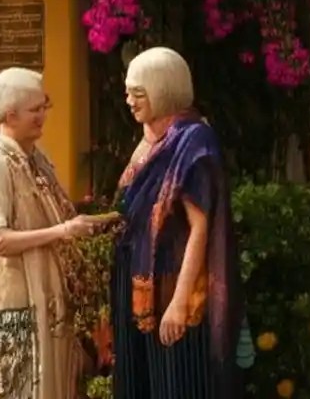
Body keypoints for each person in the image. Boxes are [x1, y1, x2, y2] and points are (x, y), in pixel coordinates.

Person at [111, 47, 243, 398]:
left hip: (172, 281)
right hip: (138, 281)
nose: (129, 101)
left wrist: (180, 301)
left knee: (176, 383)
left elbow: (201, 226)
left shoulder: (192, 140)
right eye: (128, 92)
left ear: (163, 90)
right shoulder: (151, 138)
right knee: (140, 383)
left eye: (138, 94)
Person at [0, 67, 89, 399]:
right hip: (12, 299)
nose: (42, 115)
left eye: (43, 105)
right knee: (18, 387)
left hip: (42, 296)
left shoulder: (34, 157)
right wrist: (62, 231)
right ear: (9, 115)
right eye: (35, 109)